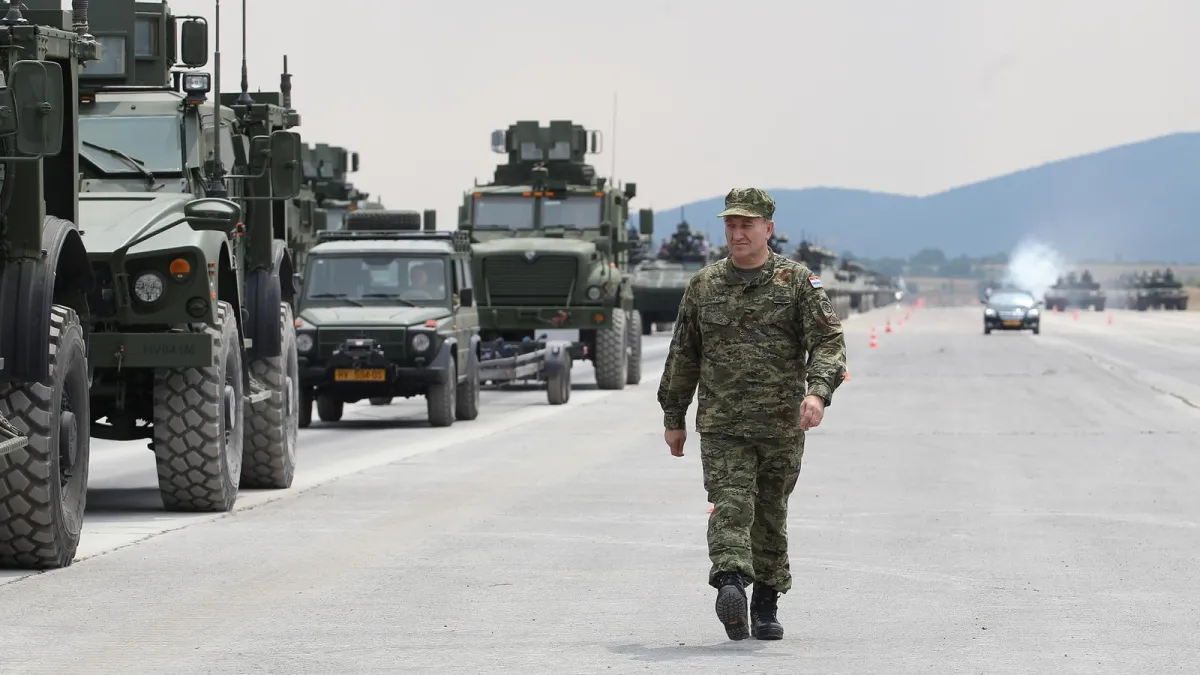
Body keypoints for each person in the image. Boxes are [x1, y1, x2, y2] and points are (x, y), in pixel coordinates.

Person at [657, 187, 847, 641]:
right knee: (731, 505)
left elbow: (828, 343)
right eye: (730, 224)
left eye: (747, 224)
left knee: (769, 514)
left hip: (782, 424)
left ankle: (765, 602)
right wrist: (673, 415)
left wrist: (817, 393)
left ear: (768, 229)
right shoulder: (704, 286)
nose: (738, 233)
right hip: (722, 424)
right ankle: (730, 583)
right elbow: (683, 354)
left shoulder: (797, 282)